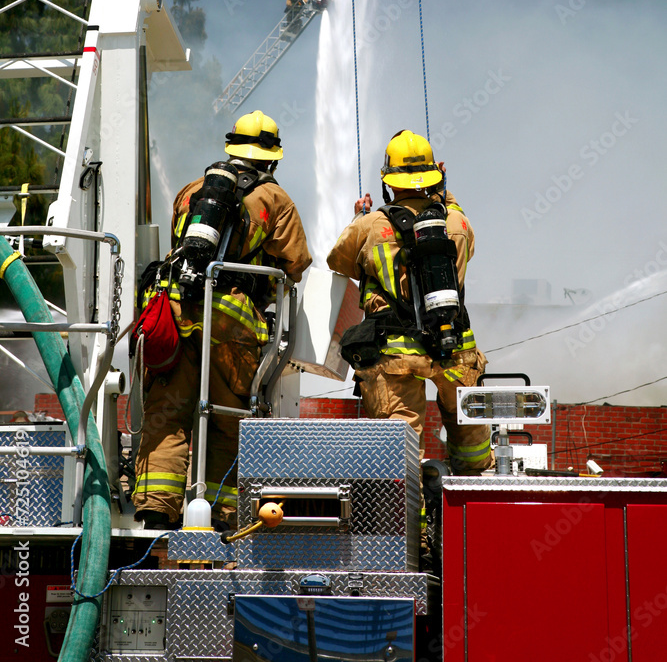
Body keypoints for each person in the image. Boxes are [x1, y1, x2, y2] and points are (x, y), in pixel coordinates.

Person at [133, 110, 311, 530]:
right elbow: (297, 262)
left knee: (167, 411)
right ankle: (223, 512)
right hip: (231, 323)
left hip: (177, 312)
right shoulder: (275, 199)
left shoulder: (193, 189)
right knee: (229, 420)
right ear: (272, 158)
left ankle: (156, 507)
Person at [326, 130, 492, 540]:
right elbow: (467, 248)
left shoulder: (371, 225)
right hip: (455, 351)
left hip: (395, 356)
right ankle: (473, 528)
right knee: (471, 443)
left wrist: (358, 217)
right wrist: (446, 195)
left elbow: (337, 260)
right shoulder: (458, 222)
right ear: (436, 176)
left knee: (403, 451)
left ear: (389, 181)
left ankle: (412, 541)